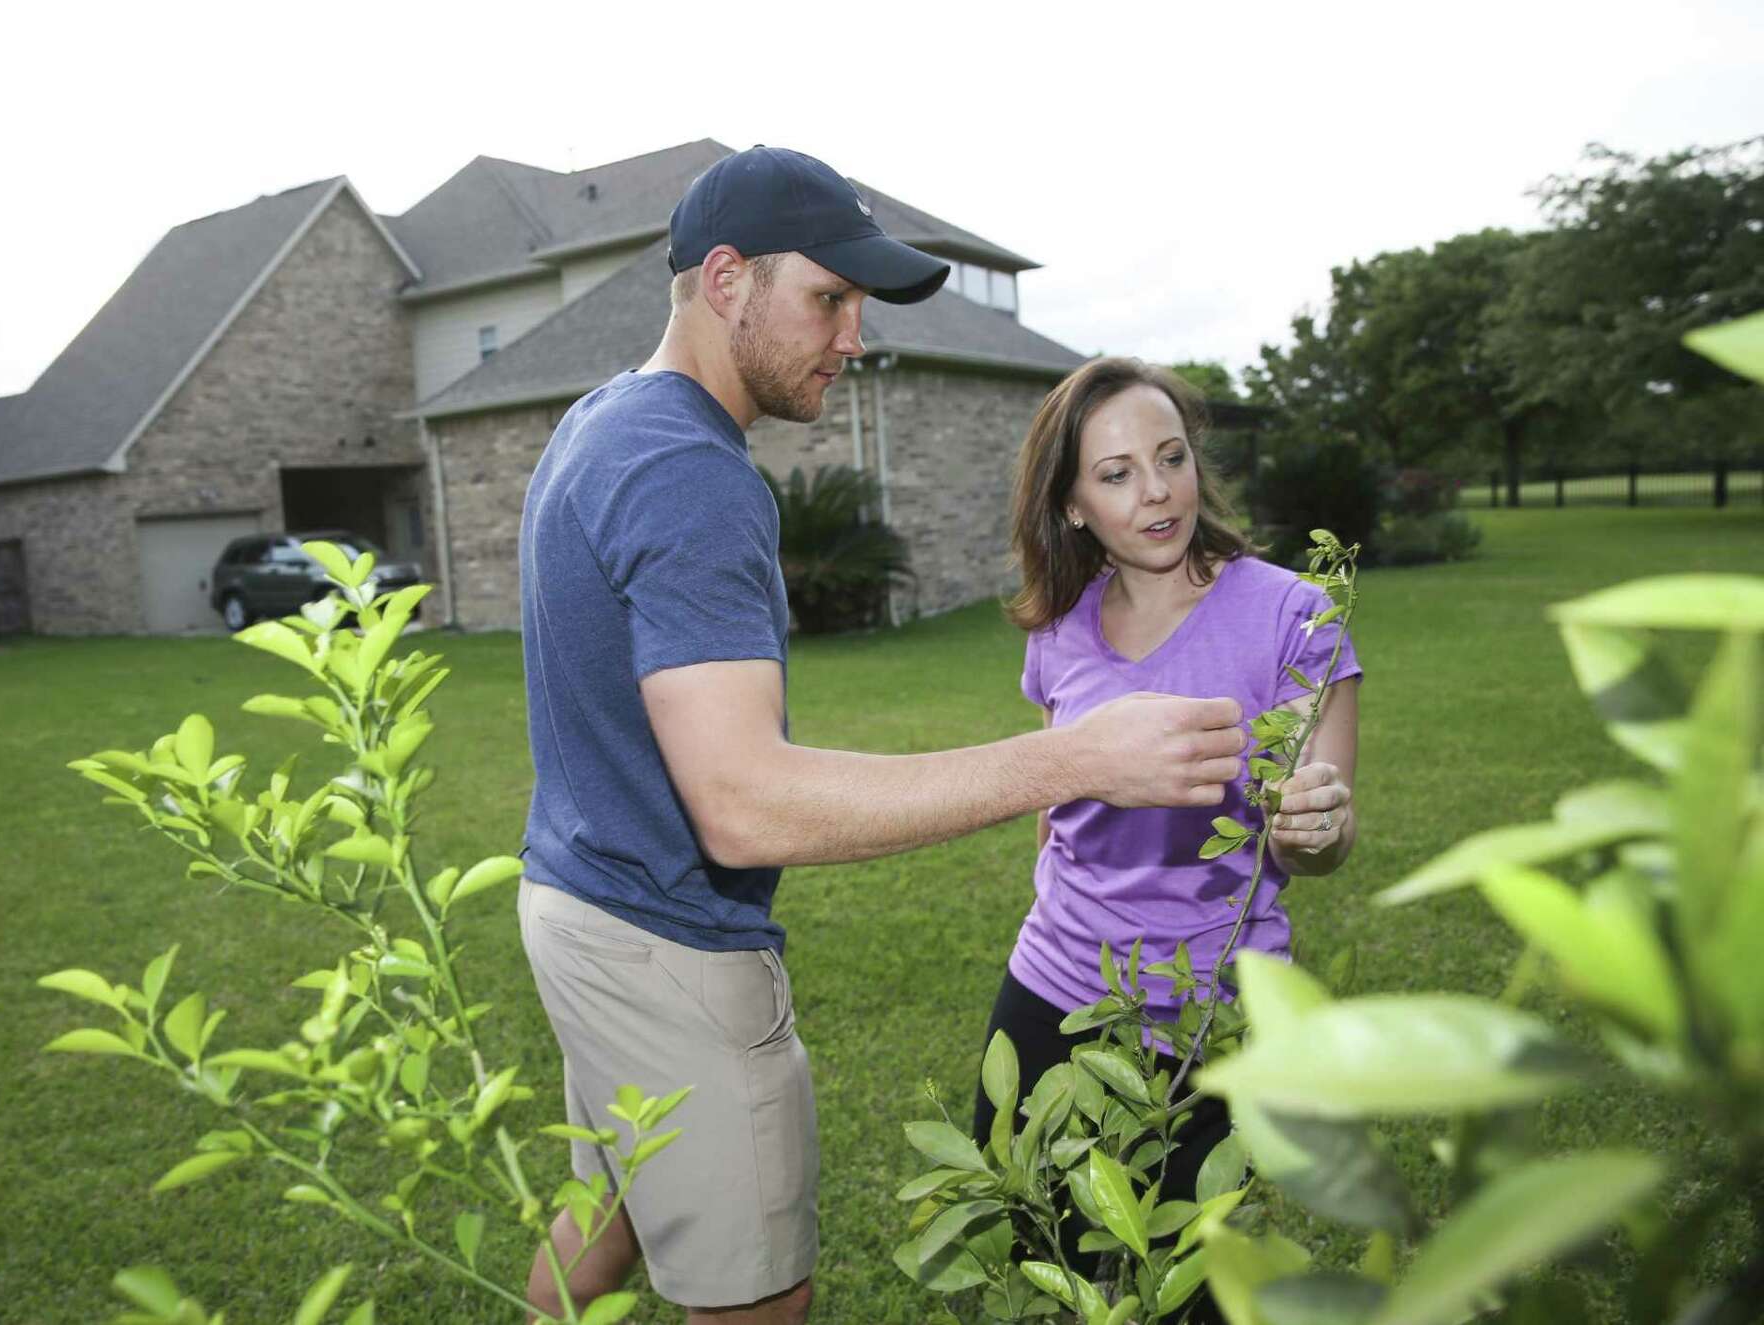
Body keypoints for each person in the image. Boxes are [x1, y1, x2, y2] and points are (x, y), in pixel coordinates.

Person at [514, 148, 1250, 1325]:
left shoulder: (602, 422)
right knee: (762, 1292)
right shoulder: (689, 473)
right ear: (726, 279)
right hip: (665, 940)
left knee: (605, 1210)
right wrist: (1075, 758)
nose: (853, 336)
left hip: (577, 903)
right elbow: (743, 803)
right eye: (829, 298)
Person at [970, 357, 1362, 1306]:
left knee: (1189, 1291)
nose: (1156, 491)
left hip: (1209, 1014)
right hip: (1054, 995)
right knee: (1036, 1262)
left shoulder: (1293, 615)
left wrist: (1314, 823)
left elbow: (1316, 840)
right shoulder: (1058, 627)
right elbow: (1053, 808)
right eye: (1116, 474)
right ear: (1072, 506)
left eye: (1171, 457)